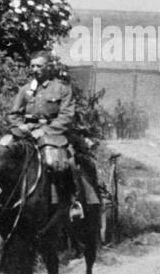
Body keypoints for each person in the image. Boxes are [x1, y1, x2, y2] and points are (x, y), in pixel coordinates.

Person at [8, 53, 99, 217]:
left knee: (58, 162)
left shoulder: (62, 89)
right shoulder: (25, 90)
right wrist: (21, 127)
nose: (35, 69)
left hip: (54, 134)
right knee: (1, 152)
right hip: (27, 133)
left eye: (39, 66)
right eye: (33, 66)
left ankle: (73, 202)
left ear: (49, 67)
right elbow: (13, 114)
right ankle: (2, 202)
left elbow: (66, 116)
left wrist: (44, 131)